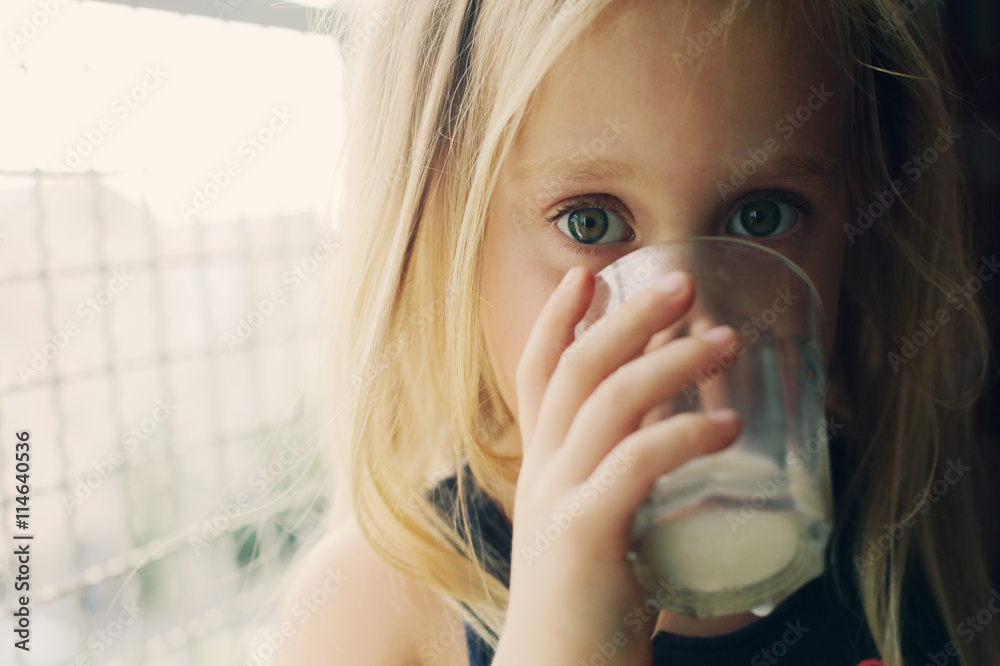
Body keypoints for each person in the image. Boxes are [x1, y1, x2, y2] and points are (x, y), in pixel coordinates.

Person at [270, 0, 1000, 664]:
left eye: (763, 215)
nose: (691, 328)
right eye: (592, 221)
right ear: (444, 238)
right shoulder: (373, 613)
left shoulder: (931, 534)